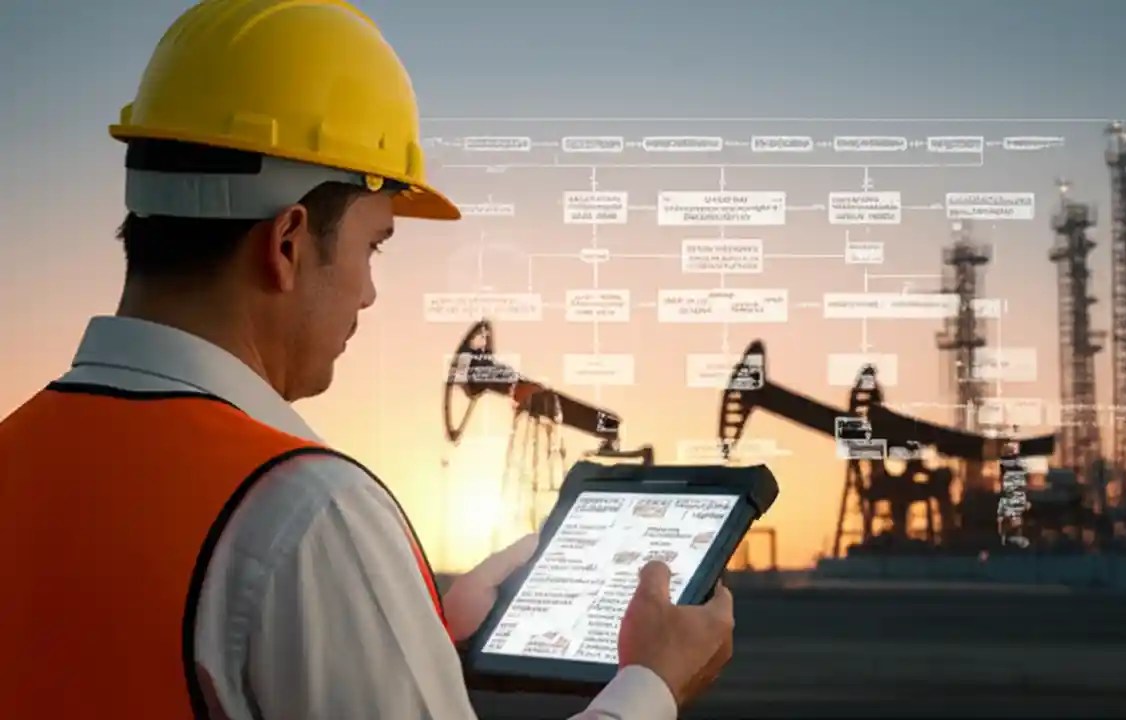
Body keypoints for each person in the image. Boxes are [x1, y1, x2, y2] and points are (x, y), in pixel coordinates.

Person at [0, 1, 734, 718]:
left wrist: (412, 637)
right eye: (372, 246)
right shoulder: (308, 512)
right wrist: (652, 685)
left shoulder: (19, 452)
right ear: (288, 242)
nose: (371, 292)